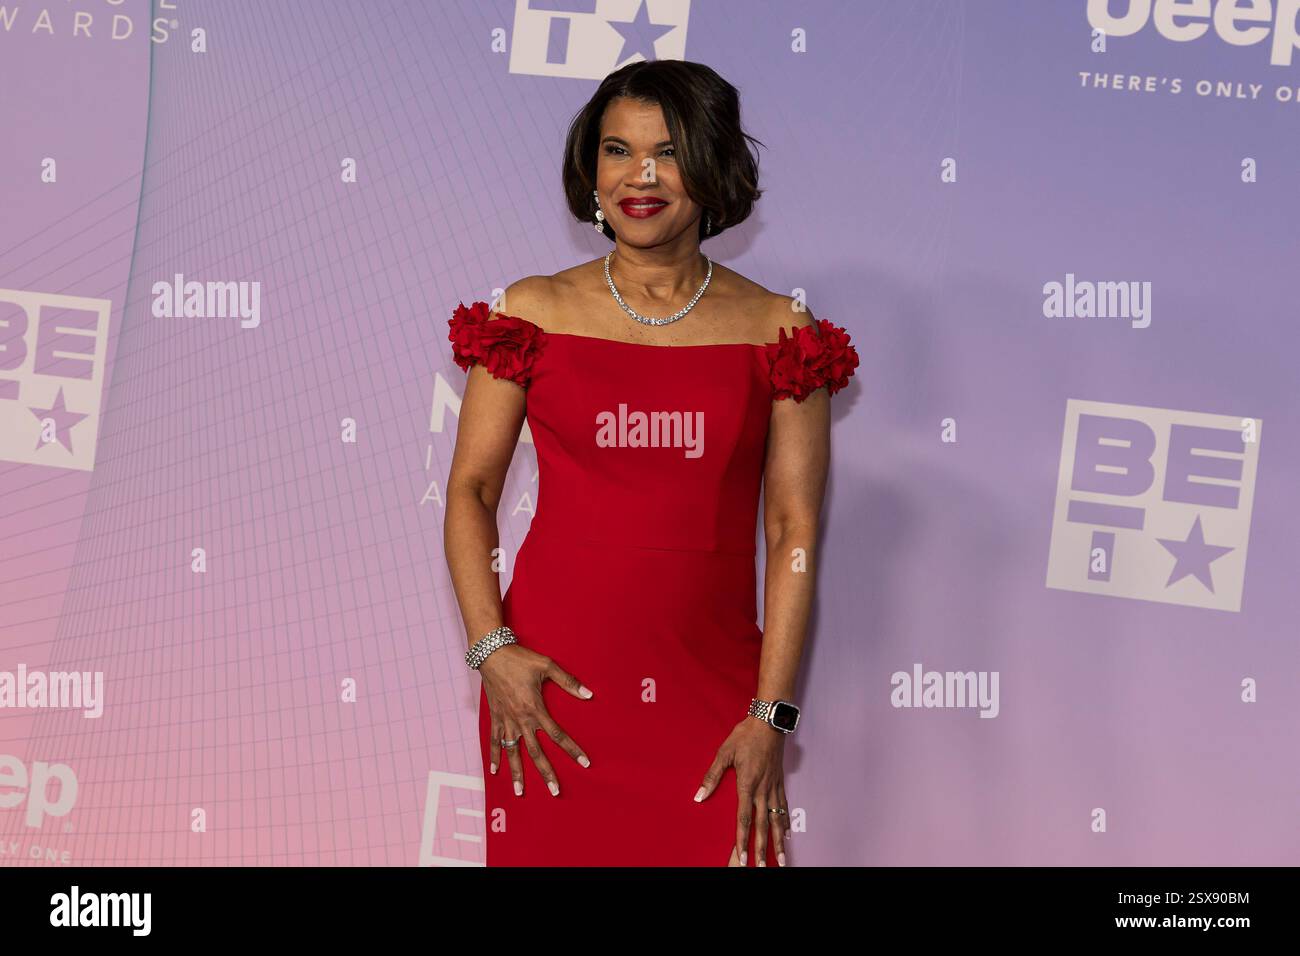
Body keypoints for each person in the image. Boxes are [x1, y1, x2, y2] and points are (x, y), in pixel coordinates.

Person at [443, 59, 858, 866]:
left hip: (718, 697)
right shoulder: (531, 310)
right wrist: (493, 651)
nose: (640, 176)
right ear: (589, 168)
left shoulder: (782, 328)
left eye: (667, 152)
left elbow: (793, 525)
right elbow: (471, 488)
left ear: (712, 166)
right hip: (555, 688)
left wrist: (771, 714)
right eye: (616, 150)